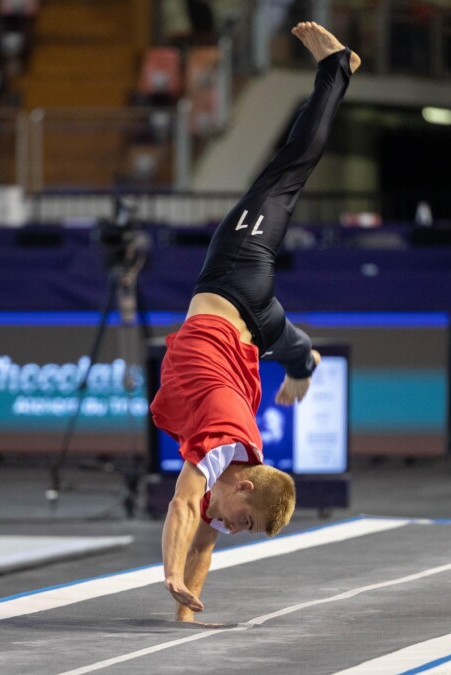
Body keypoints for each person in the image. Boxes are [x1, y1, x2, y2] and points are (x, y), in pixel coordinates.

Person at [150, 21, 360, 622]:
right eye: (245, 520)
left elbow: (207, 539)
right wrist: (169, 574)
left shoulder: (232, 480)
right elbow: (185, 512)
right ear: (244, 485)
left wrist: (186, 609)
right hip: (237, 280)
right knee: (288, 171)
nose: (233, 529)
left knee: (285, 343)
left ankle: (300, 360)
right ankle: (338, 68)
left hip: (252, 330)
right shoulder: (220, 449)